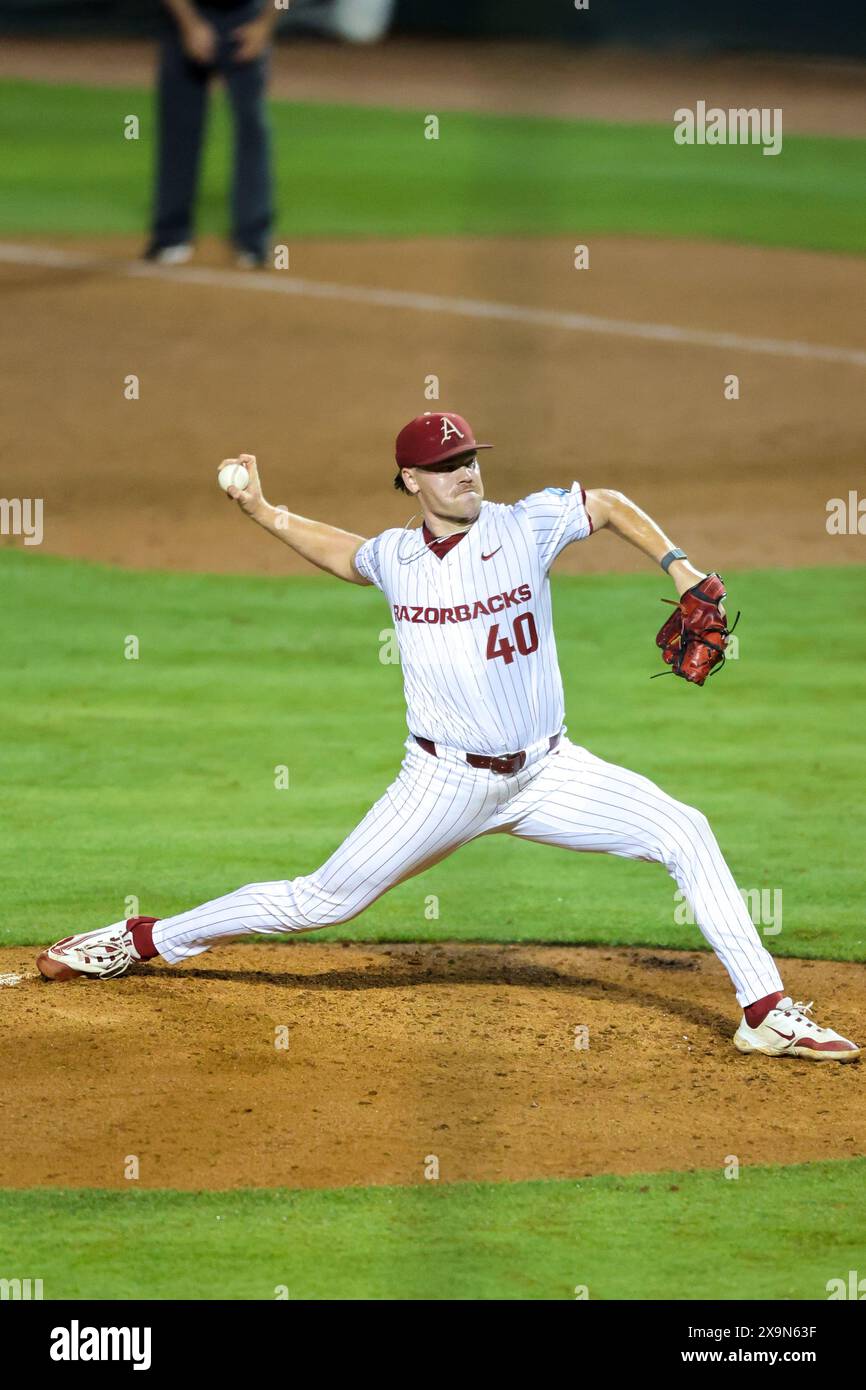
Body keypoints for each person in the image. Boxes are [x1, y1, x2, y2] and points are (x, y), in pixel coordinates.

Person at [37, 412, 859, 1063]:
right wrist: (261, 510)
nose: (467, 473)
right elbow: (343, 553)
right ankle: (141, 940)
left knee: (686, 829)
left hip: (548, 772)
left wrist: (679, 565)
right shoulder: (398, 556)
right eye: (447, 465)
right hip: (440, 784)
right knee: (320, 902)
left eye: (471, 459)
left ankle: (764, 1012)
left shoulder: (524, 526)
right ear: (410, 480)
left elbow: (604, 505)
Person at [144, 0, 277, 267]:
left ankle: (253, 240)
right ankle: (171, 235)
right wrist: (189, 24)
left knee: (253, 127)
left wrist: (265, 24)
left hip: (247, 15)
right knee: (179, 126)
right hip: (187, 12)